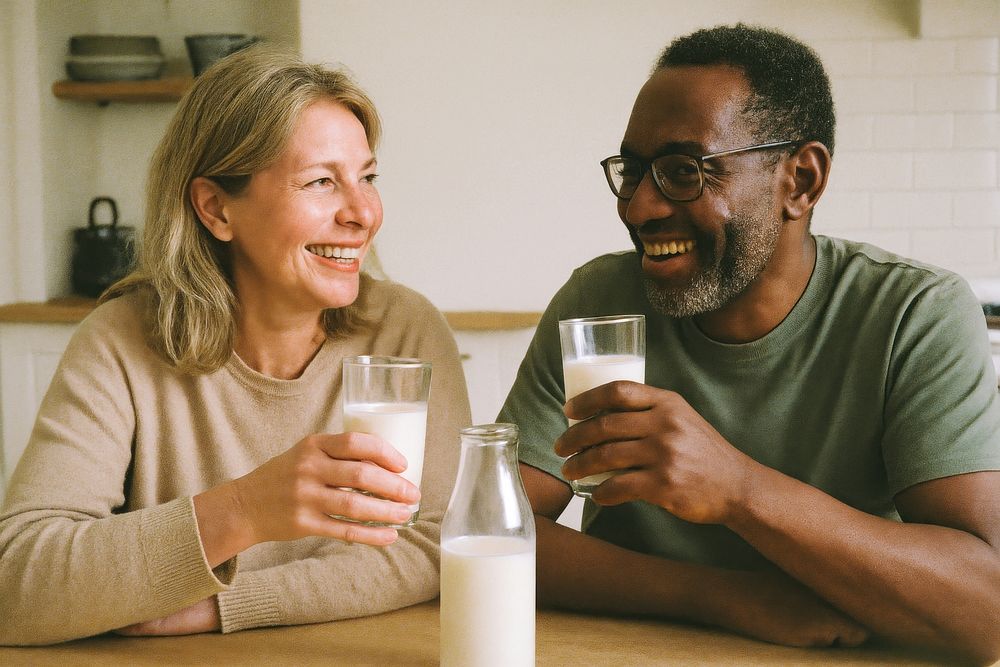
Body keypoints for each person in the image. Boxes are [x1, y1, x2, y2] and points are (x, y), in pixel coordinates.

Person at [498, 23, 1000, 663]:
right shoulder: (598, 303)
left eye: (685, 171)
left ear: (802, 180)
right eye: (634, 171)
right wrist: (721, 597)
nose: (640, 208)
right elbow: (496, 530)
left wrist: (740, 490)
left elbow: (985, 614)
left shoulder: (913, 315)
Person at [0, 47, 470, 645]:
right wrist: (244, 511)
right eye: (322, 182)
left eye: (368, 177)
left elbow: (434, 541)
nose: (364, 212)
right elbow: (15, 582)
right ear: (216, 208)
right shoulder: (120, 341)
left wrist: (226, 605)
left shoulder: (406, 331)